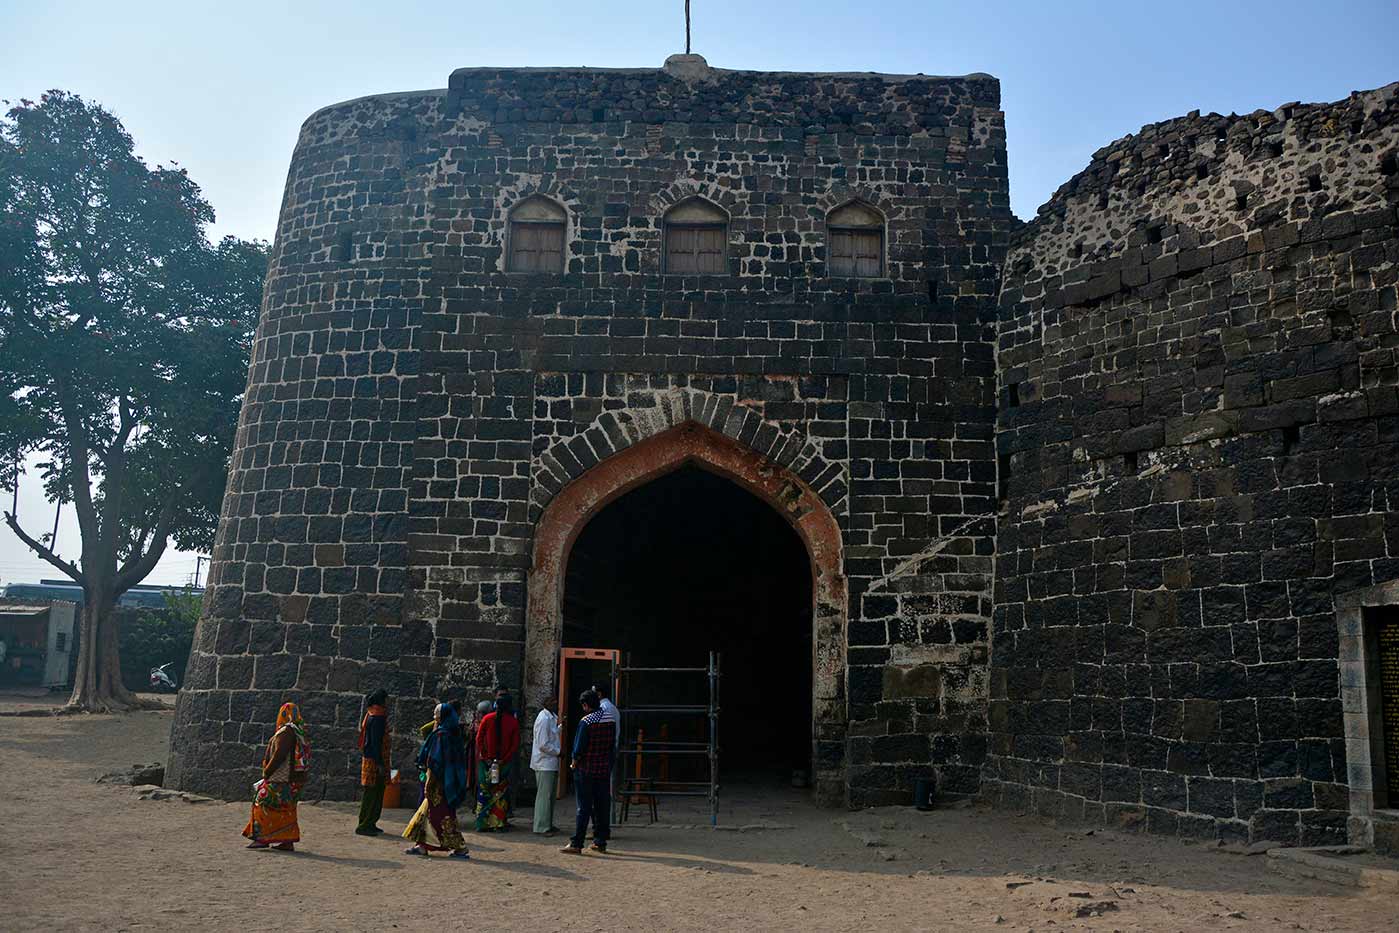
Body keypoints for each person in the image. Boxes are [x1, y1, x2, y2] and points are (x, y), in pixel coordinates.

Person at [403, 703, 470, 859]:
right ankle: (422, 845)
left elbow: (435, 762)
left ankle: (460, 847)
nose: (434, 717)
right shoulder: (453, 733)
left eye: (436, 714)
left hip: (438, 783)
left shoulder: (442, 735)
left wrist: (429, 782)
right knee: (428, 813)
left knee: (442, 815)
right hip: (448, 781)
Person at [243, 701, 310, 852]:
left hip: (281, 777)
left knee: (262, 802)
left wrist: (267, 771)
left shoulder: (286, 732)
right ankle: (286, 840)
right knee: (287, 809)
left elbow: (280, 754)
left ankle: (262, 838)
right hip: (296, 779)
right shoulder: (300, 731)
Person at [561, 689, 615, 855]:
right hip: (603, 767)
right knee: (602, 805)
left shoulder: (586, 721)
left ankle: (577, 841)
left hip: (586, 769)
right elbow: (612, 744)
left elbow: (579, 748)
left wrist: (573, 762)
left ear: (585, 705)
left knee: (583, 807)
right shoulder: (610, 719)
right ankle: (600, 841)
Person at [475, 693, 520, 831]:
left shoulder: (487, 719)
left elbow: (479, 739)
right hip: (503, 763)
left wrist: (485, 756)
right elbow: (514, 745)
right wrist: (503, 760)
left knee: (484, 790)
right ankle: (497, 823)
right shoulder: (513, 722)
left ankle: (482, 823)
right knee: (500, 793)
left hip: (486, 763)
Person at [355, 689, 391, 836]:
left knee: (372, 792)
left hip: (370, 758)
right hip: (375, 759)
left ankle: (369, 822)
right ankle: (365, 824)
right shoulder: (378, 718)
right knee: (373, 793)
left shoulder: (371, 714)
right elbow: (375, 742)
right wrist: (380, 764)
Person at [530, 698, 562, 835]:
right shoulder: (543, 719)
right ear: (545, 705)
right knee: (544, 796)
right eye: (552, 703)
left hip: (550, 762)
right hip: (544, 763)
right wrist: (558, 752)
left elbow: (553, 734)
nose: (555, 705)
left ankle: (547, 823)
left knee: (549, 796)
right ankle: (541, 826)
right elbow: (543, 744)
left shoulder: (551, 717)